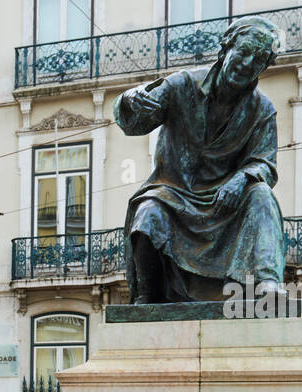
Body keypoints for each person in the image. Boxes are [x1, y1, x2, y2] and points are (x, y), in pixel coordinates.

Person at [116, 16, 285, 304]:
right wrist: (130, 99)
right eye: (242, 52)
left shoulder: (263, 109)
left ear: (263, 67)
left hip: (225, 203)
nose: (246, 64)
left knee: (261, 195)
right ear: (225, 50)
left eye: (257, 60)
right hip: (173, 193)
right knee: (148, 211)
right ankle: (147, 295)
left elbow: (265, 164)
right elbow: (137, 123)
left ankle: (267, 281)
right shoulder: (182, 84)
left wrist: (242, 179)